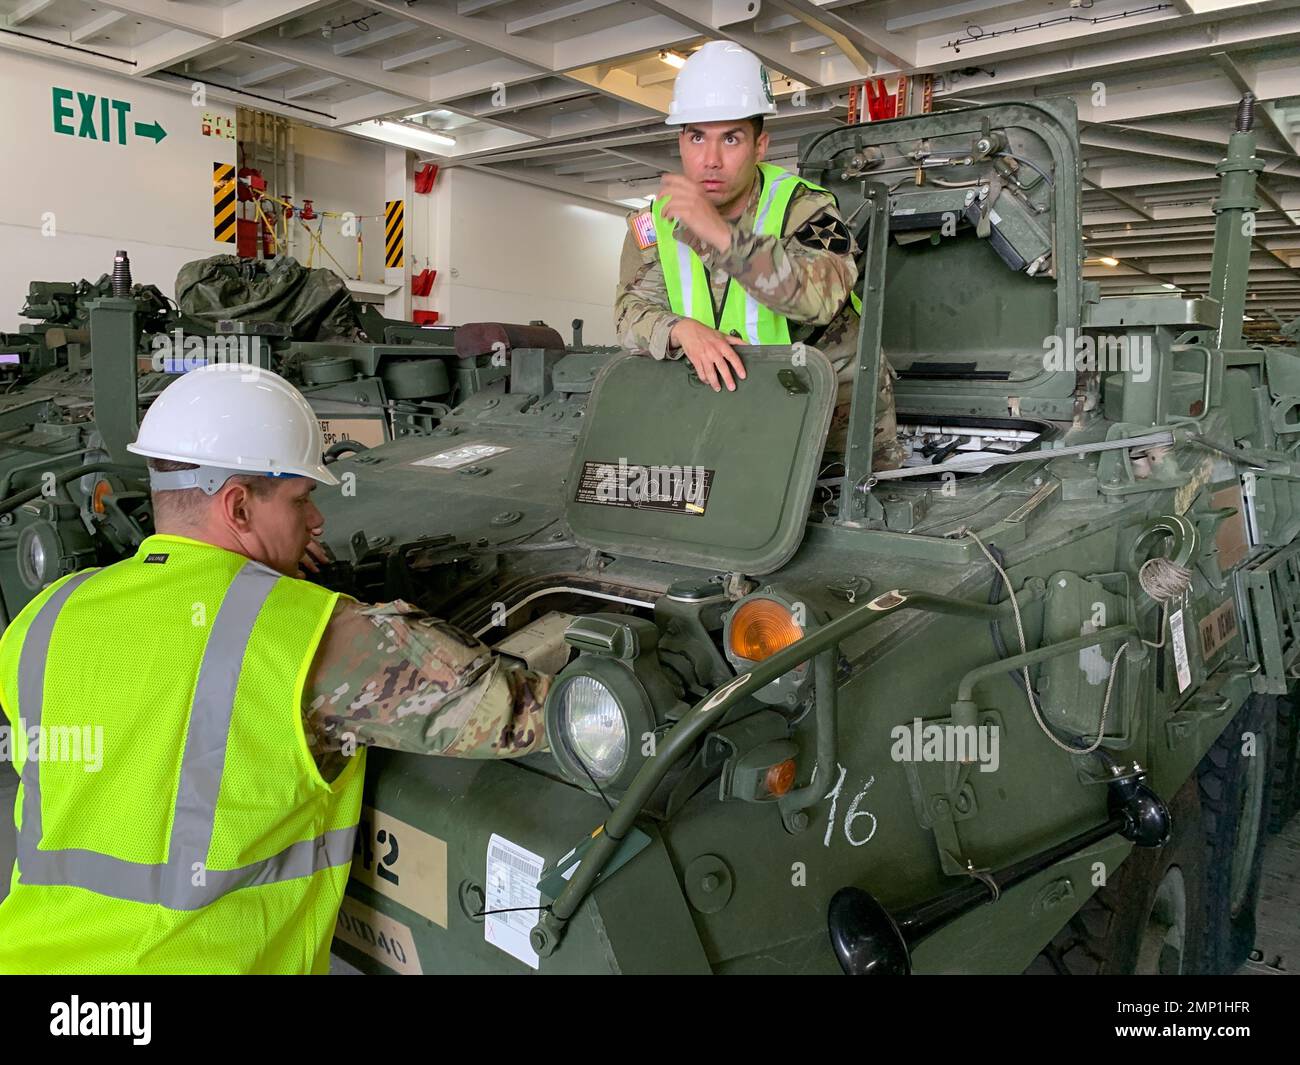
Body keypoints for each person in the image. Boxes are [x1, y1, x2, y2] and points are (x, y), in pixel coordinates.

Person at [0, 363, 549, 974]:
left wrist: (267, 562)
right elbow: (514, 712)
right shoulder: (318, 638)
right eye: (302, 499)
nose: (317, 522)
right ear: (237, 505)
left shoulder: (45, 618)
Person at [615, 39, 904, 469]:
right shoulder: (657, 221)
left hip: (836, 420)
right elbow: (628, 313)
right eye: (697, 136)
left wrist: (721, 237)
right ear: (680, 141)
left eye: (730, 138)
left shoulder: (804, 207)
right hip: (736, 412)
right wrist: (681, 330)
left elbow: (818, 300)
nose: (710, 160)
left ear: (760, 146)